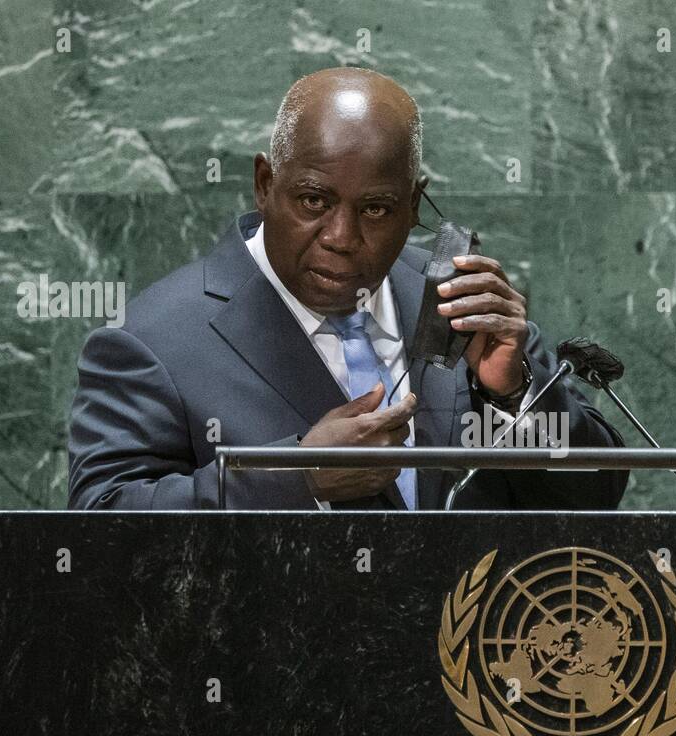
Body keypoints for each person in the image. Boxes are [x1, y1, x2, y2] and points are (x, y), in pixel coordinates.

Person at [67, 66, 628, 510]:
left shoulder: (463, 304)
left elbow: (595, 495)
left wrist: (516, 396)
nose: (341, 237)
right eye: (314, 201)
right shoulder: (153, 340)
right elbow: (103, 528)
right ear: (266, 185)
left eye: (376, 209)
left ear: (413, 207)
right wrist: (299, 478)